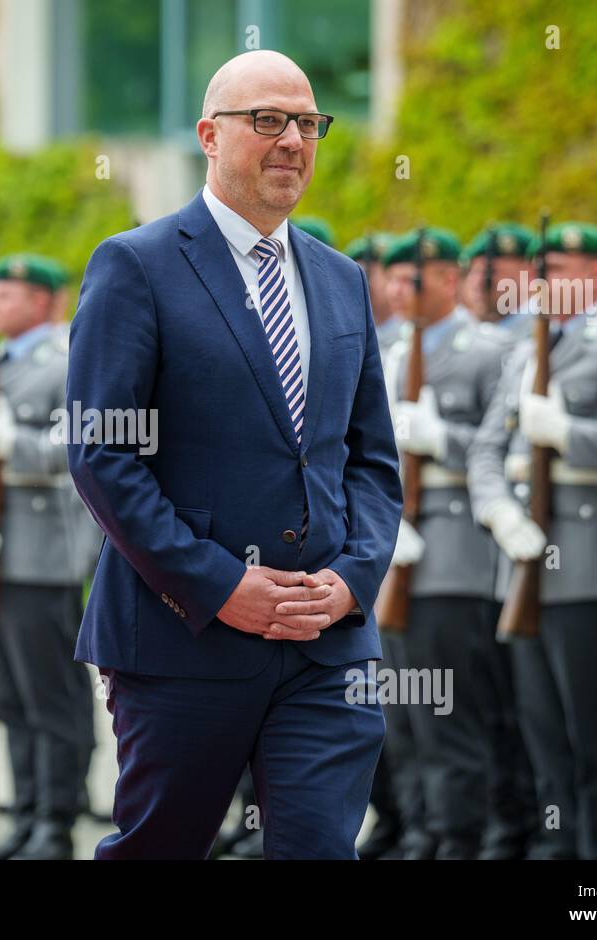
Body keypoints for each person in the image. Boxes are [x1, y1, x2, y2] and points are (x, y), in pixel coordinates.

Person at [67, 50, 401, 859]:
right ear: (209, 135)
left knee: (320, 849)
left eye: (307, 122)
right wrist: (221, 585)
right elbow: (103, 456)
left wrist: (352, 580)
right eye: (268, 120)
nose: (293, 139)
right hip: (186, 638)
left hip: (327, 645)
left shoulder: (341, 278)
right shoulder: (136, 265)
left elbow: (372, 464)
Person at [467, 222, 597, 859]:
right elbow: (485, 451)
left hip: (590, 565)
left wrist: (569, 433)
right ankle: (557, 850)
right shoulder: (524, 353)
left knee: (596, 737)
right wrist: (496, 513)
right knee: (542, 733)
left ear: (596, 275)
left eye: (558, 269)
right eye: (539, 271)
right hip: (521, 563)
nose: (541, 283)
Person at [0, 253, 100, 860]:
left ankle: (56, 822)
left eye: (9, 294)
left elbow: (83, 441)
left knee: (50, 694)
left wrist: (19, 445)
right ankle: (28, 814)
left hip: (43, 553)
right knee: (8, 694)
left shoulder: (63, 362)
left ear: (42, 301)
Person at [381, 227, 525, 859]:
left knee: (448, 710)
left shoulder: (490, 350)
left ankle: (465, 836)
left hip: (457, 547)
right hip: (394, 548)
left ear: (448, 278)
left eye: (414, 276)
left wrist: (444, 440)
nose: (400, 290)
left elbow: (510, 453)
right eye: (392, 278)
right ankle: (421, 832)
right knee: (400, 714)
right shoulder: (383, 355)